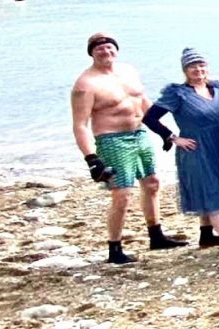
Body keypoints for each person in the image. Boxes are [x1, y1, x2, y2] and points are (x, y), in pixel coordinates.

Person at [70, 32, 184, 264]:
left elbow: (143, 103)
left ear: (116, 49)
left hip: (139, 133)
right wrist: (91, 158)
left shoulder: (128, 71)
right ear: (91, 53)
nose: (105, 51)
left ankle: (156, 236)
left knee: (152, 184)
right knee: (121, 194)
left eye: (109, 47)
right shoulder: (85, 84)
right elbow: (80, 125)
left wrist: (164, 132)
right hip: (112, 140)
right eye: (99, 48)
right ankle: (115, 248)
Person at [144, 48, 219, 259]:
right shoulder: (178, 94)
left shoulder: (218, 88)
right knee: (211, 192)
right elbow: (150, 118)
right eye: (192, 66)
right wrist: (172, 138)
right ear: (185, 70)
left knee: (218, 187)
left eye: (201, 65)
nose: (198, 69)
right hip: (196, 149)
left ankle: (206, 235)